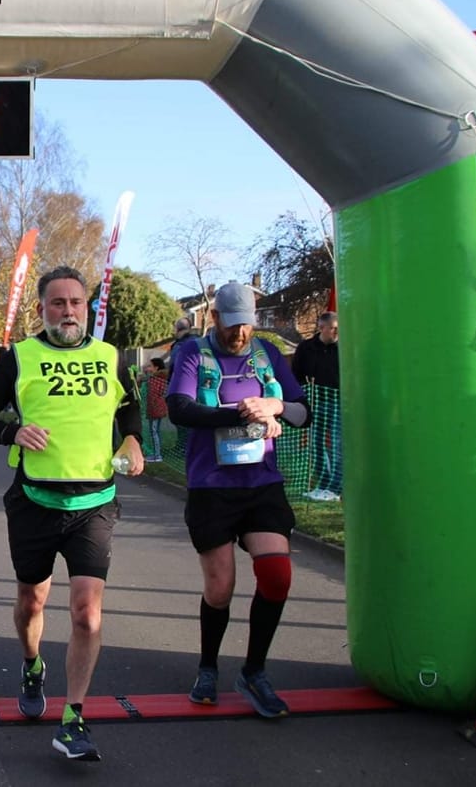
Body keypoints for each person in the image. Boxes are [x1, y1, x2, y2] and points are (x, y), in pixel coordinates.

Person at [0, 266, 145, 762]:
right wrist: (11, 433)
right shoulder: (20, 357)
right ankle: (31, 663)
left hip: (95, 504)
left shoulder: (109, 357)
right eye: (58, 303)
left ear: (88, 307)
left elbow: (129, 409)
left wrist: (132, 438)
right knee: (32, 603)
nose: (68, 311)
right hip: (35, 504)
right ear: (41, 308)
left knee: (86, 612)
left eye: (76, 303)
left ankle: (74, 717)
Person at [166, 281, 312, 717]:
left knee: (277, 575)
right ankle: (208, 666)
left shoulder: (266, 354)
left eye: (246, 325)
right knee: (221, 587)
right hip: (212, 487)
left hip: (261, 484)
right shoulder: (193, 353)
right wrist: (241, 413)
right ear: (214, 319)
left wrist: (275, 407)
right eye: (231, 326)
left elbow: (302, 411)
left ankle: (254, 670)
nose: (239, 335)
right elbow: (179, 408)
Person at [289, 310, 343, 499]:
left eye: (339, 329)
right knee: (317, 446)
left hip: (338, 403)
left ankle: (335, 488)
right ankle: (323, 484)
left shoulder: (344, 348)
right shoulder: (306, 348)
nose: (337, 333)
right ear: (322, 328)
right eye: (333, 329)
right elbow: (295, 374)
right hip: (315, 403)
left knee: (337, 445)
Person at [143, 356, 170, 459]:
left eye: (150, 366)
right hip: (157, 408)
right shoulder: (156, 378)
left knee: (154, 432)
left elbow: (153, 394)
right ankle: (156, 453)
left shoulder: (156, 379)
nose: (147, 368)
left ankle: (157, 455)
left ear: (156, 368)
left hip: (155, 408)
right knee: (156, 431)